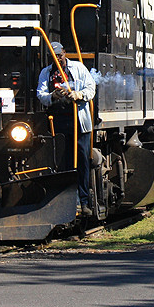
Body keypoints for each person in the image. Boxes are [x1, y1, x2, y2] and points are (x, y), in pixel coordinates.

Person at [36, 41, 96, 216]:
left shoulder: (78, 68)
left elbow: (91, 88)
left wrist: (79, 94)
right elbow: (41, 94)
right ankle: (65, 202)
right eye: (54, 57)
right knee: (62, 163)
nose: (58, 59)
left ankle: (83, 201)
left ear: (64, 53)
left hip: (79, 123)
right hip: (58, 124)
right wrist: (53, 96)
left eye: (60, 56)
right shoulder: (46, 73)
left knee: (82, 161)